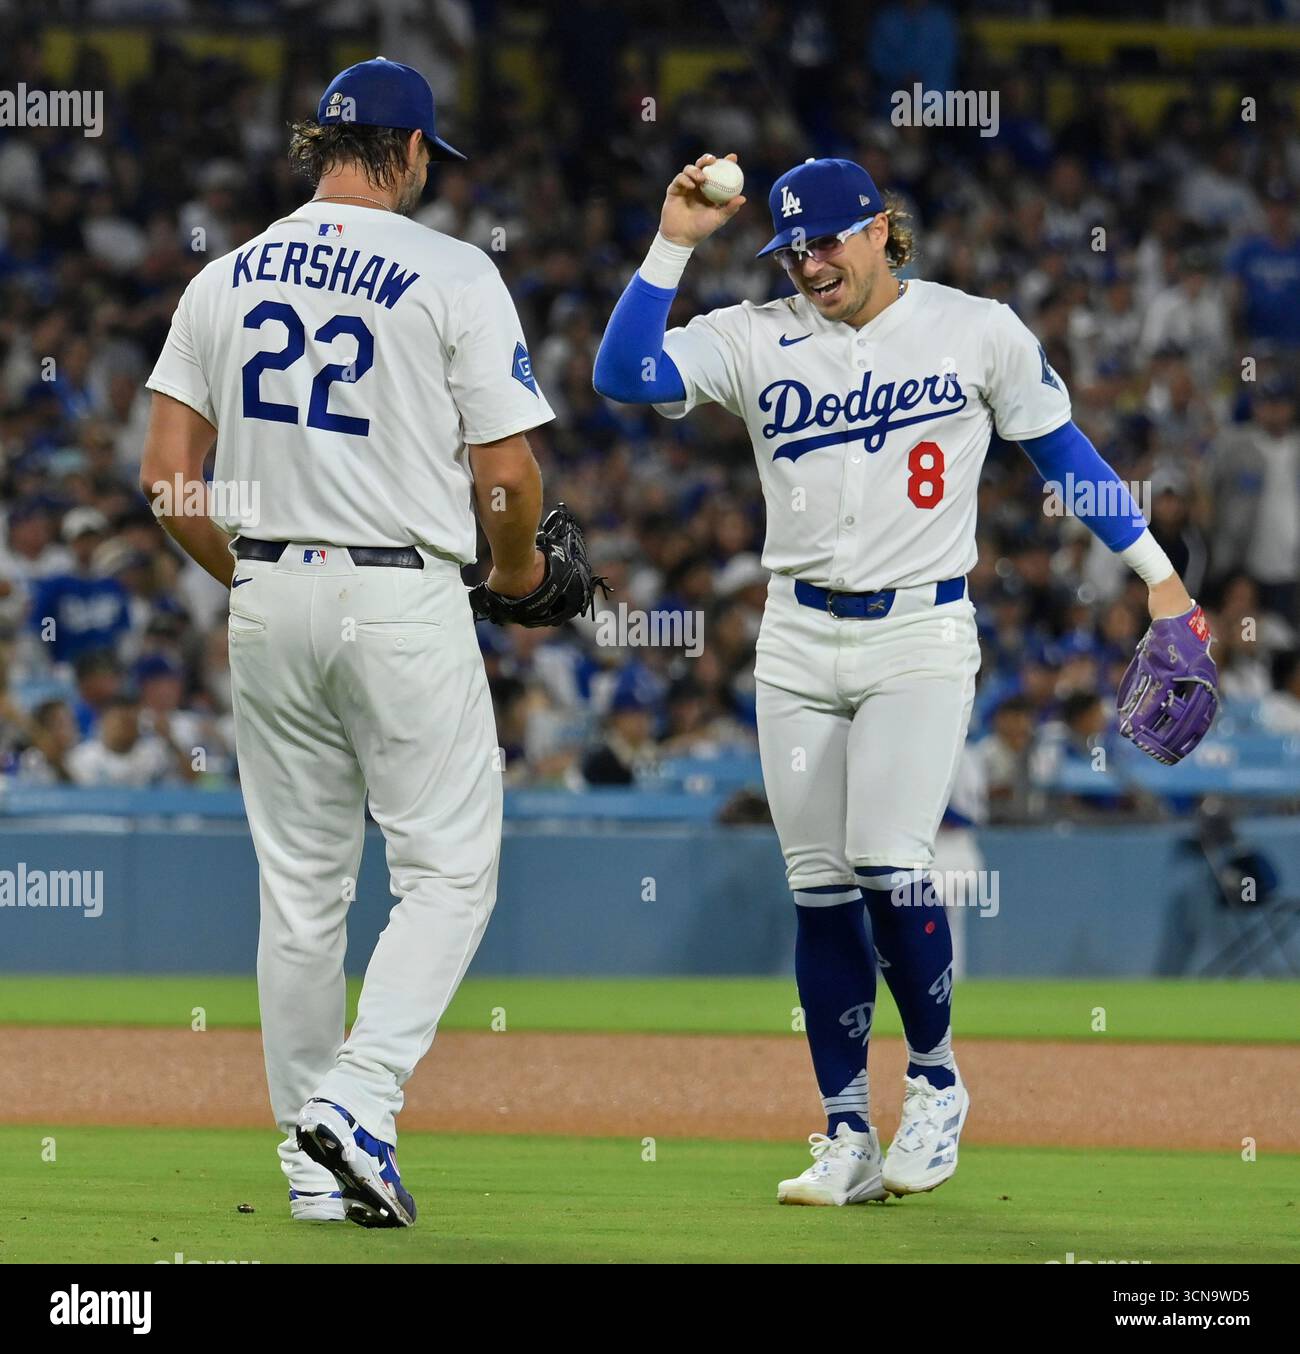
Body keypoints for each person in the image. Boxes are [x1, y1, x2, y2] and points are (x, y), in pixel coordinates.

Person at [593, 152, 1205, 1206]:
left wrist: (1160, 579)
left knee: (886, 860)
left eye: (826, 241)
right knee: (818, 892)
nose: (809, 264)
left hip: (918, 632)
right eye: (791, 248)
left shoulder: (977, 328)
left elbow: (1064, 456)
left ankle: (933, 1081)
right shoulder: (755, 333)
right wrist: (673, 243)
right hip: (794, 636)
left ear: (881, 229)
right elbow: (624, 374)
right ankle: (844, 1130)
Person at [140, 59, 554, 1228]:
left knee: (301, 893)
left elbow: (168, 483)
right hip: (400, 591)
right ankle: (361, 1101)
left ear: (315, 144)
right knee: (449, 869)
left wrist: (261, 579)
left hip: (266, 590)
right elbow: (509, 474)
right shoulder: (451, 268)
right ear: (411, 152)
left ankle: (310, 1168)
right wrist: (516, 572)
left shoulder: (224, 275)